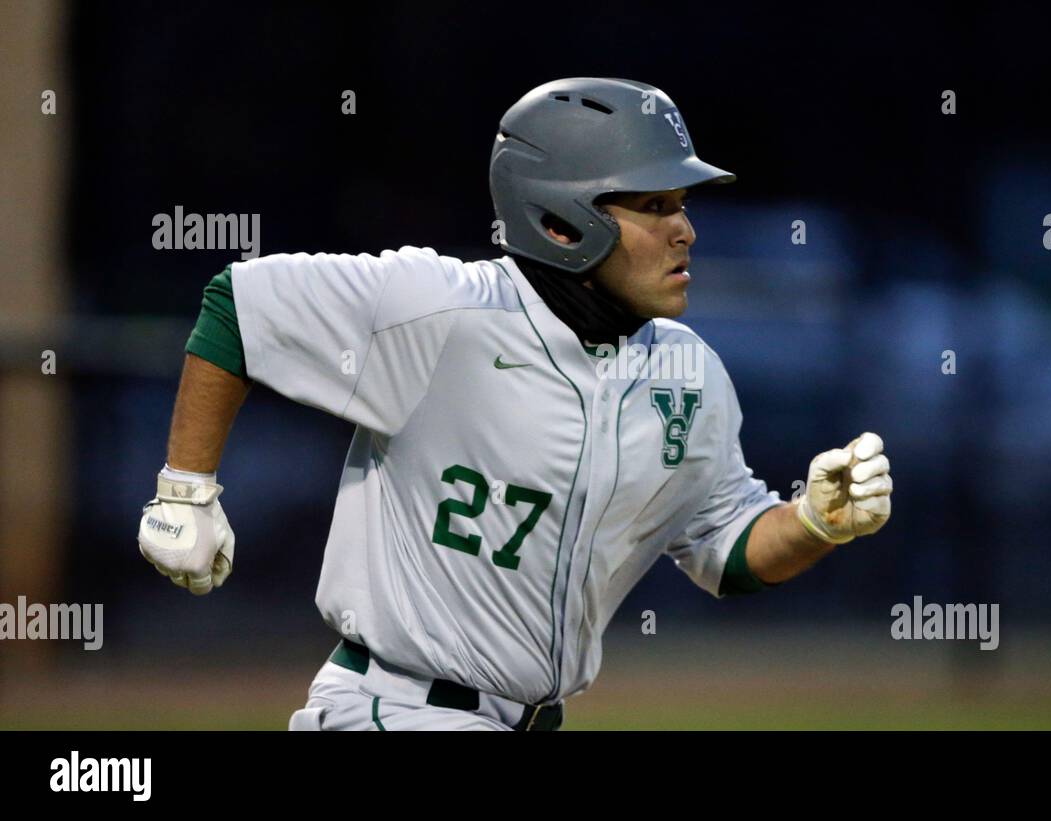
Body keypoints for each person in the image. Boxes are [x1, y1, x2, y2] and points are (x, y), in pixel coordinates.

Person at [136, 77, 893, 730]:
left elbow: (727, 549)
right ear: (563, 222)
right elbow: (239, 305)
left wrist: (814, 521)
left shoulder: (689, 376)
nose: (686, 230)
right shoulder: (443, 311)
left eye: (682, 202)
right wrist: (185, 488)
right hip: (393, 707)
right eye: (656, 203)